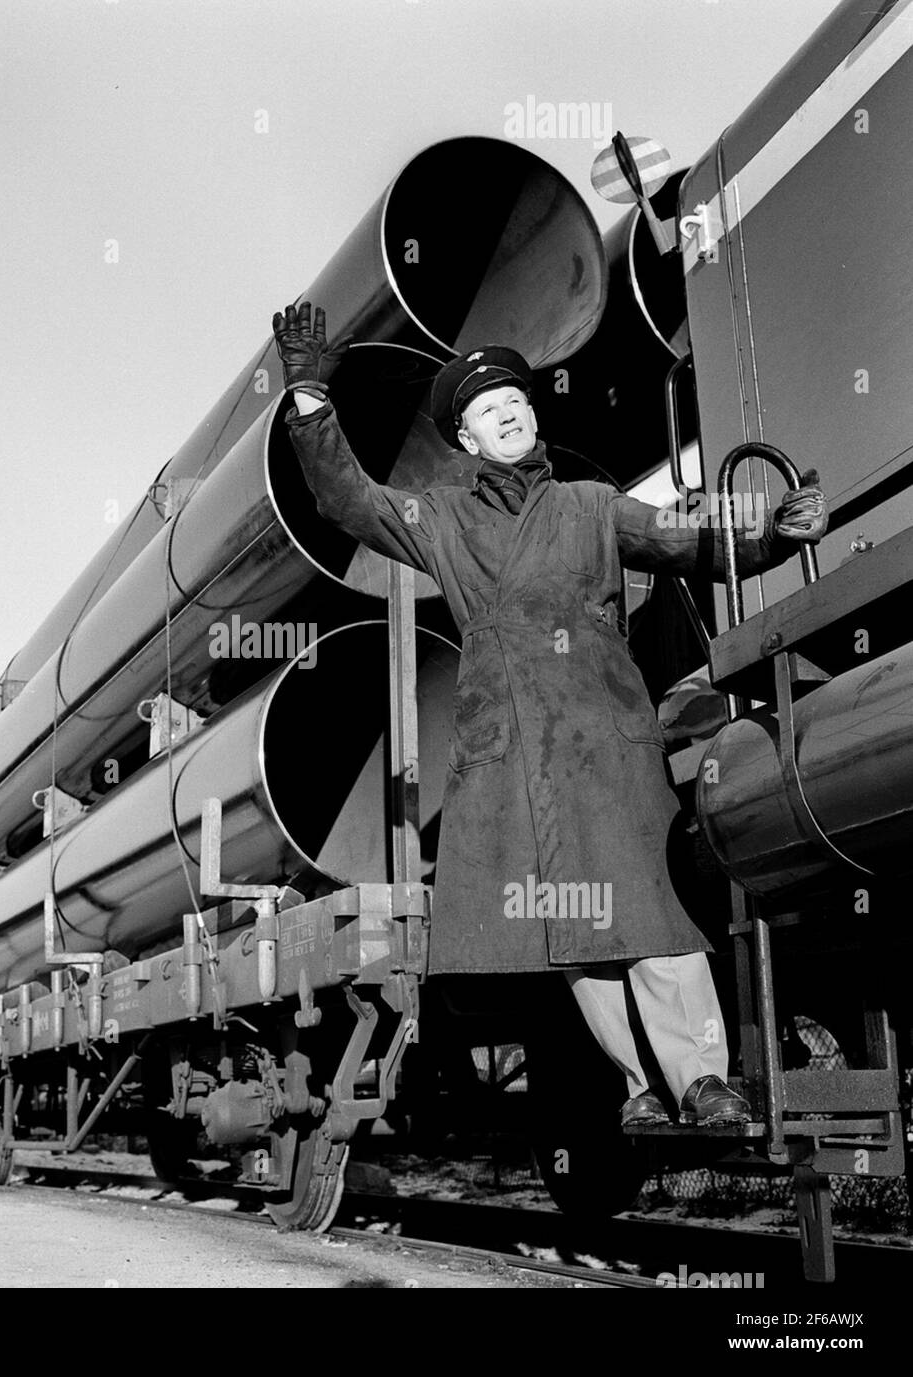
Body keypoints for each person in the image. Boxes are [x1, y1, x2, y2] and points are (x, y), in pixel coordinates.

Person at [271, 301, 828, 1127]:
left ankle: (703, 1080)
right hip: (511, 750)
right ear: (465, 440)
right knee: (573, 928)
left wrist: (767, 531)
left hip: (605, 734)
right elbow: (348, 500)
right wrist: (309, 392)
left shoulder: (591, 505)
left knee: (650, 908)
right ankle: (640, 1085)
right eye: (490, 410)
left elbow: (684, 532)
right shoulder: (443, 519)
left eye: (518, 402)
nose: (510, 414)